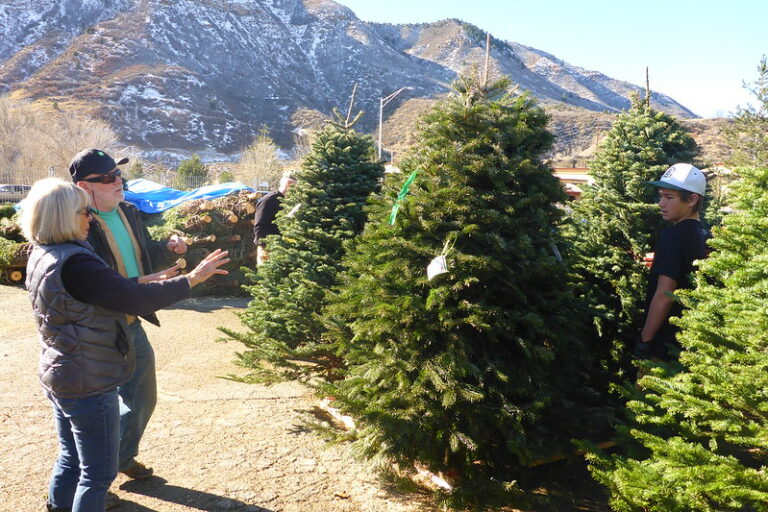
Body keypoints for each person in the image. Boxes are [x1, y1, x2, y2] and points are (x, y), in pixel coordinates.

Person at [21, 178, 228, 512]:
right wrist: (192, 279)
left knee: (71, 458)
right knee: (96, 475)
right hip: (88, 378)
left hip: (62, 373)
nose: (90, 217)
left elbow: (105, 291)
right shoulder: (77, 262)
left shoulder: (45, 254)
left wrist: (146, 279)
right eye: (83, 211)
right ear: (63, 216)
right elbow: (129, 298)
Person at [69, 148, 187, 481]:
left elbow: (142, 251)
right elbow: (93, 282)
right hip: (99, 328)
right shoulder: (77, 225)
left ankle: (121, 457)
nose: (118, 181)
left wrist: (167, 247)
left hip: (131, 321)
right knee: (102, 413)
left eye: (118, 174)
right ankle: (90, 481)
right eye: (107, 177)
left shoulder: (128, 212)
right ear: (83, 186)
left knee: (143, 398)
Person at [635, 163, 710, 363]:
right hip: (691, 340)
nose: (661, 203)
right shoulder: (704, 235)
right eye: (660, 196)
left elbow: (665, 295)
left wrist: (645, 340)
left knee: (645, 392)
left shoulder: (672, 236)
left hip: (664, 344)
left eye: (669, 197)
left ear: (692, 199)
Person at [253, 171, 296, 265]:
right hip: (268, 251)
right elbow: (260, 229)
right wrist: (274, 246)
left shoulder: (292, 202)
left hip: (286, 251)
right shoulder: (269, 201)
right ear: (288, 183)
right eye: (296, 186)